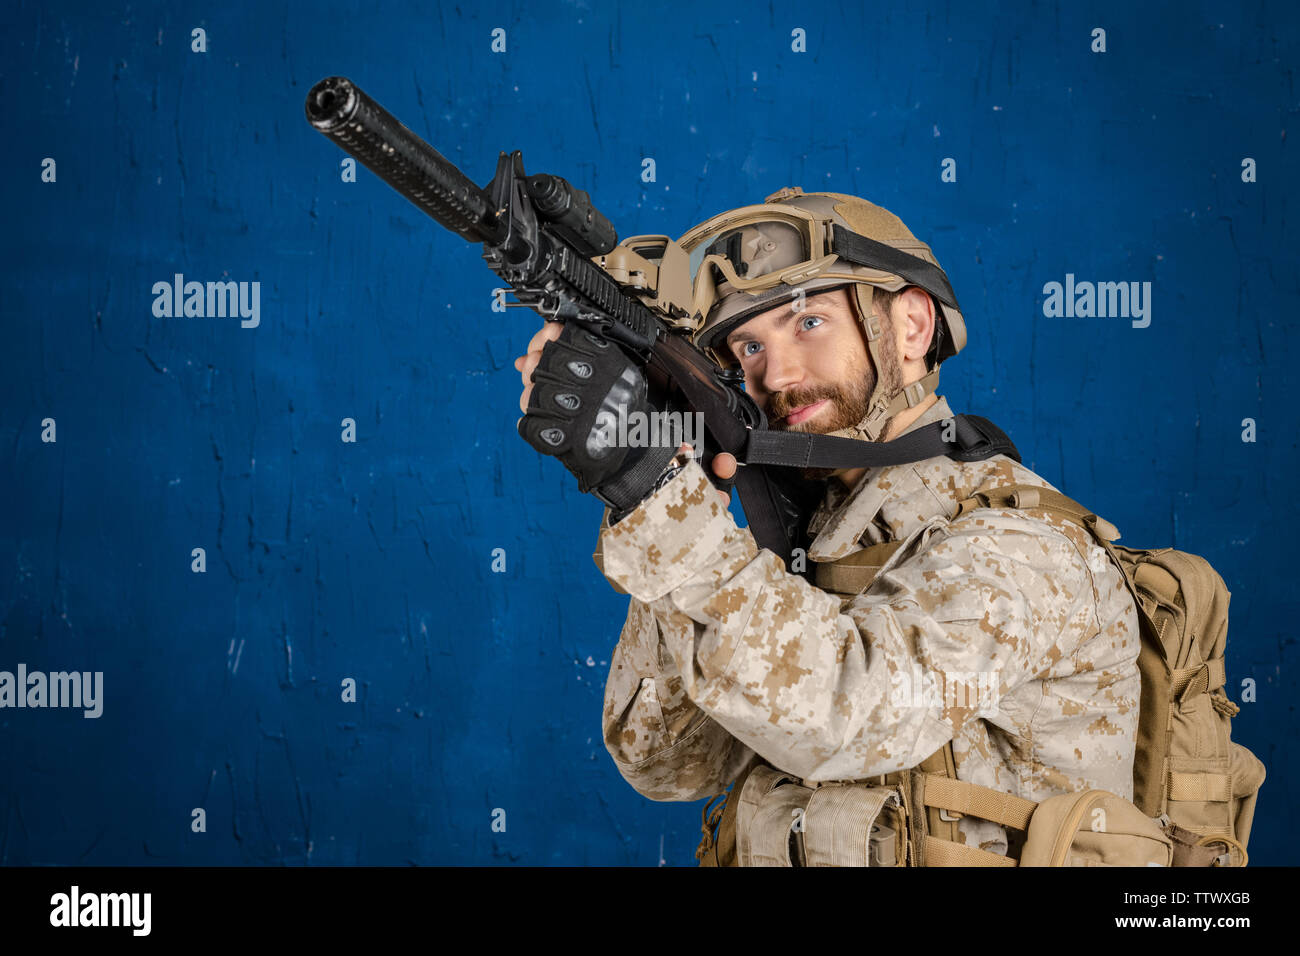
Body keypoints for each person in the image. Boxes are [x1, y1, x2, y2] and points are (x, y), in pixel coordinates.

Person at [513, 187, 1140, 866]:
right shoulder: (802, 533)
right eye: (747, 346)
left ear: (909, 328)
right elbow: (664, 761)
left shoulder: (1018, 547)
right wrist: (681, 482)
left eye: (808, 325)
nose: (775, 373)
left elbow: (844, 712)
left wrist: (648, 487)